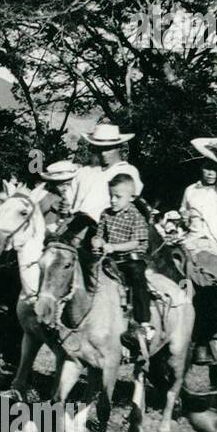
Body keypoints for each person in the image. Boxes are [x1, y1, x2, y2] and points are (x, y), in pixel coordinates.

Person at [94, 173, 154, 354]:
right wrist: (96, 241)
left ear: (132, 197)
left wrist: (113, 247)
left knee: (137, 278)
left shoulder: (136, 216)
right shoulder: (105, 214)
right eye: (111, 195)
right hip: (110, 259)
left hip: (130, 259)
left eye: (118, 197)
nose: (113, 200)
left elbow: (135, 242)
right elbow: (99, 234)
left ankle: (144, 324)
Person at [69, 123, 142, 222]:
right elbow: (70, 199)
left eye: (108, 148)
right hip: (75, 224)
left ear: (118, 146)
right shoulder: (84, 172)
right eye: (99, 148)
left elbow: (129, 203)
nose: (103, 153)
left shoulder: (128, 171)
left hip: (106, 228)